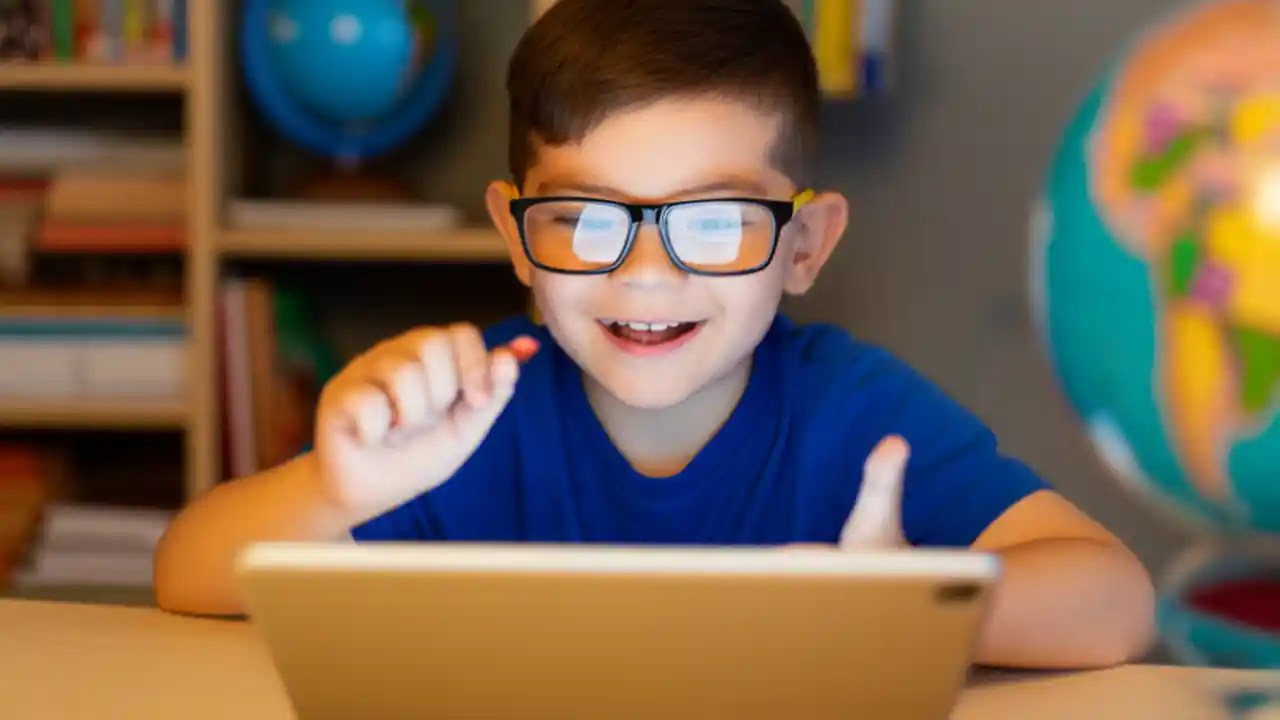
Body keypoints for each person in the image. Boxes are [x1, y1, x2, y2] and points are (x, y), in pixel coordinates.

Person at [155, 0, 1155, 669]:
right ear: (516, 235)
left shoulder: (853, 413)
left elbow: (1114, 601)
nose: (645, 273)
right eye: (588, 219)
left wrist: (917, 605)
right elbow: (186, 570)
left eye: (714, 223)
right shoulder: (465, 416)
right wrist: (338, 493)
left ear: (803, 246)